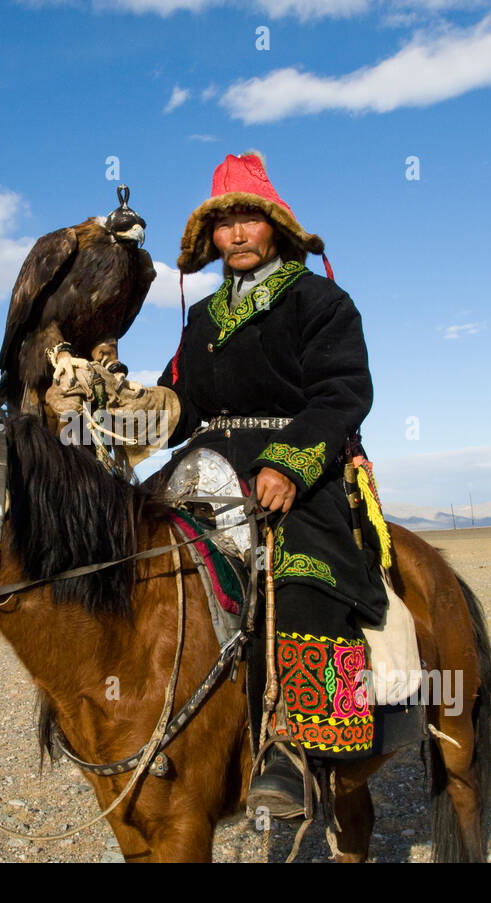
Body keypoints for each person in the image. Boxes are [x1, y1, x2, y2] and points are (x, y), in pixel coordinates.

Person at [155, 152, 389, 819]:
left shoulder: (320, 300)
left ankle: (293, 743)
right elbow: (175, 403)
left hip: (299, 467)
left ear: (275, 227)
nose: (235, 233)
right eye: (223, 221)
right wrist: (103, 405)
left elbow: (345, 390)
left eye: (247, 218)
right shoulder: (200, 321)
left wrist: (288, 463)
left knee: (298, 571)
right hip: (206, 469)